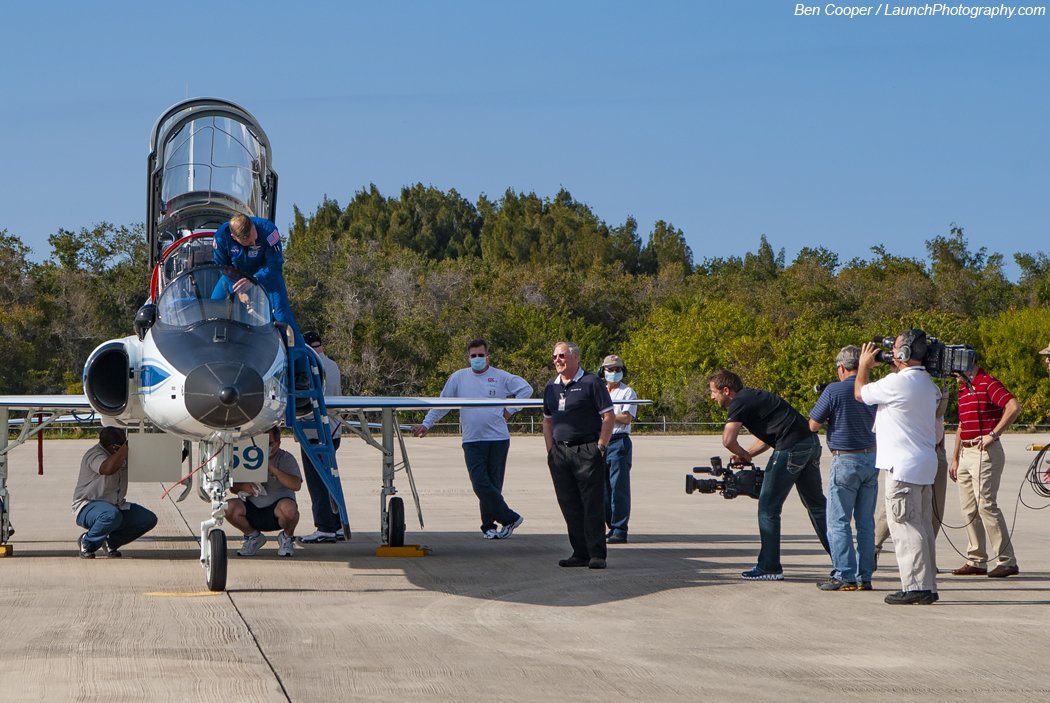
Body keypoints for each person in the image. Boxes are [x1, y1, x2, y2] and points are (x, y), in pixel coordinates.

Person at [707, 370, 830, 581]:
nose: (712, 397)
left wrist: (742, 454)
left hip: (791, 448)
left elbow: (728, 440)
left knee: (768, 507)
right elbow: (768, 438)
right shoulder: (754, 397)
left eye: (713, 392)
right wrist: (747, 455)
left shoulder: (739, 402)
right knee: (816, 505)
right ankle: (844, 562)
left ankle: (769, 566)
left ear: (726, 390)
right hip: (809, 444)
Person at [412, 339, 533, 539]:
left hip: (497, 438)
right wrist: (427, 424)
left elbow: (525, 389)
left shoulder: (501, 377)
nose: (477, 359)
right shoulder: (458, 378)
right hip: (472, 440)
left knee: (493, 484)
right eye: (473, 356)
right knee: (479, 483)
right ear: (468, 357)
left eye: (480, 355)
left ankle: (489, 526)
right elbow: (443, 403)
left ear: (488, 356)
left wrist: (510, 410)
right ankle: (509, 517)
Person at [856, 330, 941, 605]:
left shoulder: (897, 382)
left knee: (905, 527)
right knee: (922, 526)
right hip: (923, 464)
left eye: (894, 349)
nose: (890, 352)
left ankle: (916, 586)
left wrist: (864, 366)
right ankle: (927, 584)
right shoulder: (928, 384)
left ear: (904, 354)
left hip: (902, 466)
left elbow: (860, 393)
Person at [808, 346, 877, 591]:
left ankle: (844, 574)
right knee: (866, 521)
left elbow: (813, 424)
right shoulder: (871, 390)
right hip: (871, 458)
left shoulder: (834, 391)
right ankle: (864, 575)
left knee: (838, 521)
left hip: (845, 458)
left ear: (841, 368)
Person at [543, 342, 614, 569]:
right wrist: (551, 451)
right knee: (569, 503)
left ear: (575, 357)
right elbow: (547, 421)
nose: (557, 360)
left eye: (562, 356)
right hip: (560, 453)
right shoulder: (551, 387)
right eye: (554, 357)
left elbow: (609, 416)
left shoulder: (591, 382)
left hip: (586, 450)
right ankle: (580, 552)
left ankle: (597, 554)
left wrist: (600, 447)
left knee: (591, 503)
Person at [948, 360, 1021, 578]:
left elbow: (1013, 406)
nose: (955, 377)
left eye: (956, 371)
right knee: (968, 508)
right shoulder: (964, 390)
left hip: (985, 452)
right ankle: (976, 559)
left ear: (968, 366)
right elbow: (962, 424)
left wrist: (994, 434)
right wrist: (955, 458)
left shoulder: (987, 383)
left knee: (986, 505)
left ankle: (1007, 560)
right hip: (966, 453)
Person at [873, 392, 949, 565]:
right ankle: (873, 547)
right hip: (908, 452)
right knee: (895, 506)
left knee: (935, 507)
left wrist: (941, 448)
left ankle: (927, 556)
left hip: (934, 450)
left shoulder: (933, 387)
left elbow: (938, 419)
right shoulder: (901, 385)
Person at [212, 214, 303, 345]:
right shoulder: (221, 238)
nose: (254, 243)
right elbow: (223, 267)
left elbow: (275, 265)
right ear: (234, 237)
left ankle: (300, 359)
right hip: (234, 277)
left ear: (253, 225)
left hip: (267, 275)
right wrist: (239, 291)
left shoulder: (269, 231)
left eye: (254, 238)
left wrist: (254, 279)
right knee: (213, 308)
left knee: (282, 316)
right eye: (248, 243)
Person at [72, 427, 158, 558]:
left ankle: (111, 542)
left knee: (148, 519)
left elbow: (150, 465)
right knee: (111, 515)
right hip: (87, 507)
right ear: (112, 447)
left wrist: (179, 456)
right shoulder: (94, 454)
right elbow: (107, 468)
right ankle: (87, 543)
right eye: (120, 446)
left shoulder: (119, 454)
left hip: (115, 506)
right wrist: (124, 449)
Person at [298, 331, 347, 543]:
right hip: (334, 429)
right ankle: (335, 525)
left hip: (314, 431)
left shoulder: (311, 367)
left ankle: (325, 527)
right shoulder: (332, 365)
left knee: (317, 482)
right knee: (330, 479)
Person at [225, 427, 303, 557]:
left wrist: (272, 469)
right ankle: (253, 536)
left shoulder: (286, 458)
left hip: (278, 509)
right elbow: (233, 488)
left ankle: (287, 537)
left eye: (270, 444)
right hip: (252, 507)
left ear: (278, 443)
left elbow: (296, 485)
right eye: (261, 443)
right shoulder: (248, 456)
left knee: (290, 510)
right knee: (227, 507)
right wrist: (243, 487)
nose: (265, 447)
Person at [600, 354, 637, 544]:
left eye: (617, 370)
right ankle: (610, 525)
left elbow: (626, 417)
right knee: (603, 488)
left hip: (618, 440)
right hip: (600, 440)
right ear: (602, 371)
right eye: (610, 369)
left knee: (618, 487)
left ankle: (620, 528)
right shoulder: (599, 391)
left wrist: (606, 416)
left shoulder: (627, 392)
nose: (613, 373)